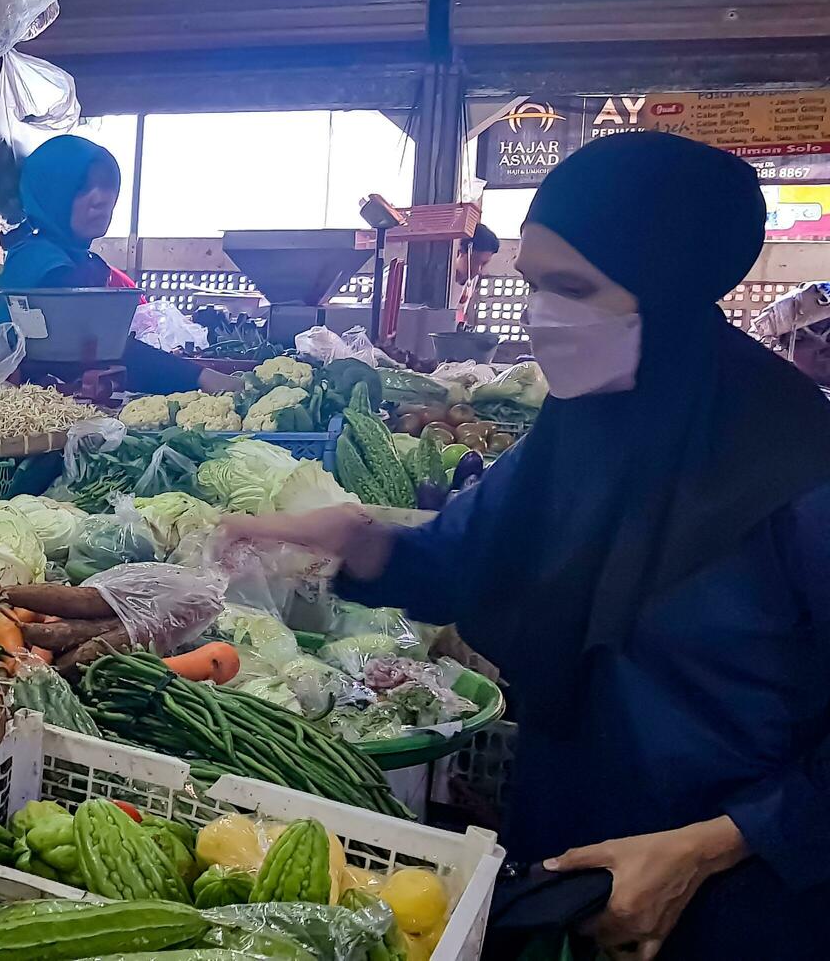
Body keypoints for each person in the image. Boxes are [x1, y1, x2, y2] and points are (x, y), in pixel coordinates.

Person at [226, 132, 830, 959]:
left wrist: (711, 846)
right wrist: (359, 544)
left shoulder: (803, 474)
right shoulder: (585, 424)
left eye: (573, 288)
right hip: (566, 855)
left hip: (738, 900)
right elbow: (473, 559)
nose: (546, 314)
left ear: (667, 286)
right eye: (535, 284)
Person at [0, 135, 237, 394]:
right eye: (81, 187)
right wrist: (201, 377)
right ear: (49, 194)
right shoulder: (46, 266)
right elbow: (101, 349)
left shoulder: (65, 257)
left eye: (107, 184)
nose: (100, 199)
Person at [454, 222, 500, 327]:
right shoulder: (442, 279)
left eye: (484, 264)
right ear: (459, 253)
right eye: (476, 262)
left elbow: (460, 310)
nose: (479, 270)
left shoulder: (472, 278)